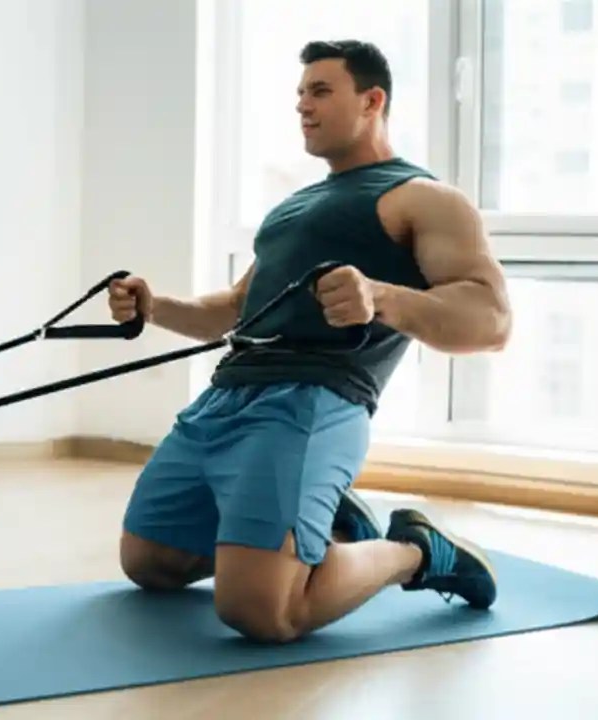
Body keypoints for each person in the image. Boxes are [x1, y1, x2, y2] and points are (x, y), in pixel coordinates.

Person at [108, 40, 512, 643]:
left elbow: (492, 320)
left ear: (372, 100)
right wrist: (155, 306)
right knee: (150, 563)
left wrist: (383, 296)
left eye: (320, 91)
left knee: (263, 611)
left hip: (311, 402)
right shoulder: (292, 209)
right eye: (300, 93)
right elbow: (235, 310)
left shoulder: (424, 198)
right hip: (226, 398)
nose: (302, 105)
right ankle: (324, 530)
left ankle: (416, 551)